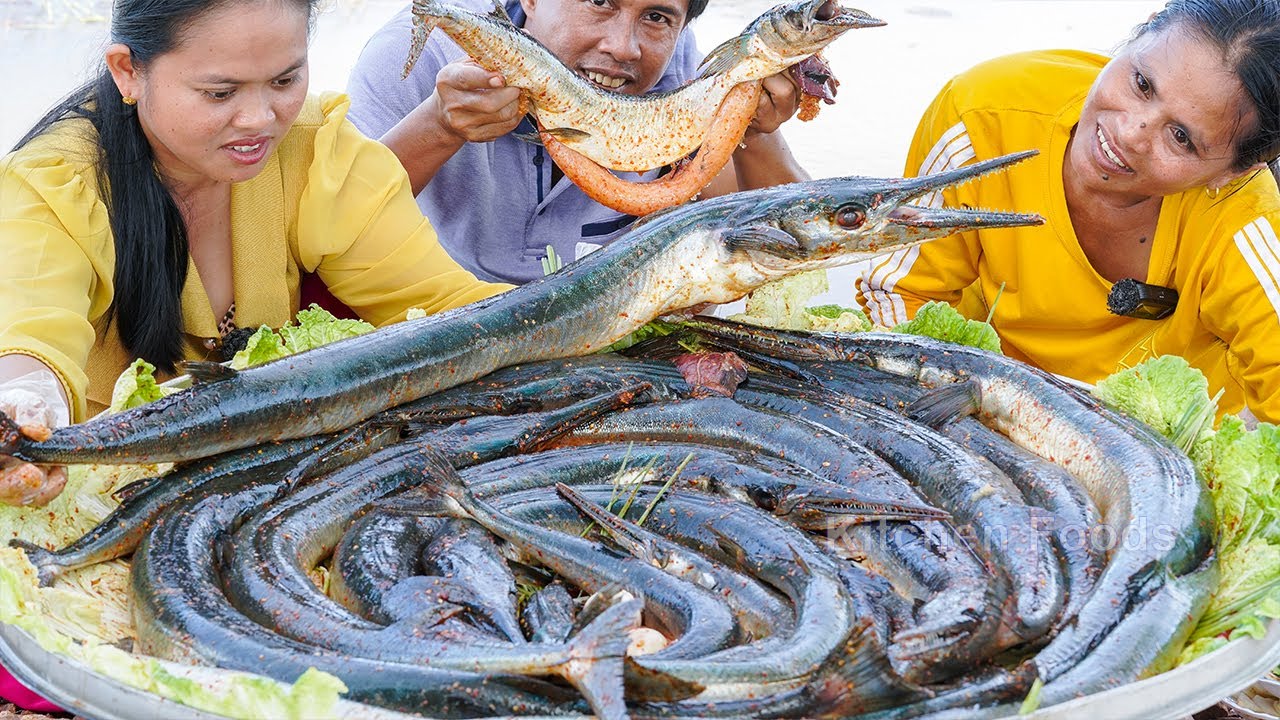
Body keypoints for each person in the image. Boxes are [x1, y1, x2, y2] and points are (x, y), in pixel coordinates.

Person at [0, 0, 508, 512]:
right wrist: (27, 414)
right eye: (220, 93)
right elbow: (28, 343)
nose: (260, 119)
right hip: (93, 499)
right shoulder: (53, 184)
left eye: (285, 81)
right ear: (127, 71)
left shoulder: (318, 152)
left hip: (265, 491)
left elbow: (452, 310)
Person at [855, 0, 1280, 423]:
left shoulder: (1247, 222)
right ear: (1143, 29)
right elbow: (902, 296)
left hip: (1156, 445)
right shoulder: (982, 119)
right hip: (977, 407)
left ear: (1238, 170)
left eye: (1181, 137)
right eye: (1142, 84)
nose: (1131, 133)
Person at [345, 0, 811, 284]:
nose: (623, 47)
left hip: (603, 331)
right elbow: (337, 228)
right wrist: (438, 127)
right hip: (438, 316)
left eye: (657, 17)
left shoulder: (690, 74)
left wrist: (752, 128)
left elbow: (773, 238)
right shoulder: (419, 47)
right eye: (598, 0)